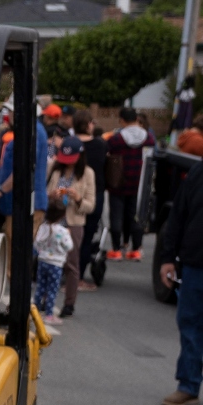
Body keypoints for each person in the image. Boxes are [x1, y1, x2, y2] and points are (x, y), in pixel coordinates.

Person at [155, 152, 203, 405]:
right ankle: (188, 385)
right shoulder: (197, 172)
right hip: (195, 264)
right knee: (190, 324)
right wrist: (167, 258)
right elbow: (178, 216)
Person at [46, 135, 97, 317]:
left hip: (74, 222)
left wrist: (78, 198)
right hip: (54, 220)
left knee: (71, 264)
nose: (67, 163)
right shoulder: (55, 168)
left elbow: (91, 205)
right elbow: (44, 192)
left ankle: (69, 303)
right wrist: (52, 195)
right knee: (48, 261)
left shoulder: (88, 173)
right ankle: (44, 300)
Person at [0, 109, 49, 239]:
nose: (9, 115)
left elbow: (24, 167)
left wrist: (0, 190)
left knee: (17, 243)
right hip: (17, 204)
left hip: (24, 205)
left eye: (11, 111)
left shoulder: (32, 131)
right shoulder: (26, 130)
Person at [106, 107, 154, 261]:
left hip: (118, 182)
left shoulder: (116, 139)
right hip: (140, 183)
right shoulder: (148, 138)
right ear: (136, 119)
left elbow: (108, 152)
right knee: (136, 216)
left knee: (116, 216)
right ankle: (136, 249)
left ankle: (116, 250)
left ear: (122, 120)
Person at [73, 110, 108, 291]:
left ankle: (66, 273)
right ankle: (78, 277)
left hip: (71, 191)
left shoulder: (70, 143)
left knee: (70, 233)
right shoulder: (100, 145)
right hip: (94, 192)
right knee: (87, 237)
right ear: (87, 125)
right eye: (92, 122)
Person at [33, 203, 74, 324]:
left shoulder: (42, 227)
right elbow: (69, 246)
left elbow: (36, 243)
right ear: (61, 217)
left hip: (43, 260)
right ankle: (49, 315)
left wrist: (41, 251)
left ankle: (35, 311)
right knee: (52, 289)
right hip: (56, 263)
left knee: (40, 287)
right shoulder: (62, 231)